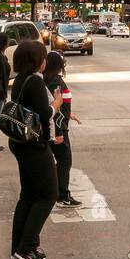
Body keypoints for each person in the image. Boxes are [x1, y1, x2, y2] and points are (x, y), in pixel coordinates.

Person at [8, 39, 57, 259]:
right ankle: (26, 248)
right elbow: (43, 114)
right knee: (48, 194)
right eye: (43, 56)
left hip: (20, 142)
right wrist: (56, 104)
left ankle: (19, 247)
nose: (45, 60)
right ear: (37, 61)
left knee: (28, 195)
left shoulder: (19, 80)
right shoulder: (35, 82)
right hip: (34, 144)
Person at [44, 50, 82, 208]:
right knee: (65, 161)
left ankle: (56, 192)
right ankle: (62, 195)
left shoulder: (50, 79)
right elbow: (55, 108)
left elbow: (59, 105)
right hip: (57, 128)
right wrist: (59, 132)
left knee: (60, 161)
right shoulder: (55, 82)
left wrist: (69, 113)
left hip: (57, 125)